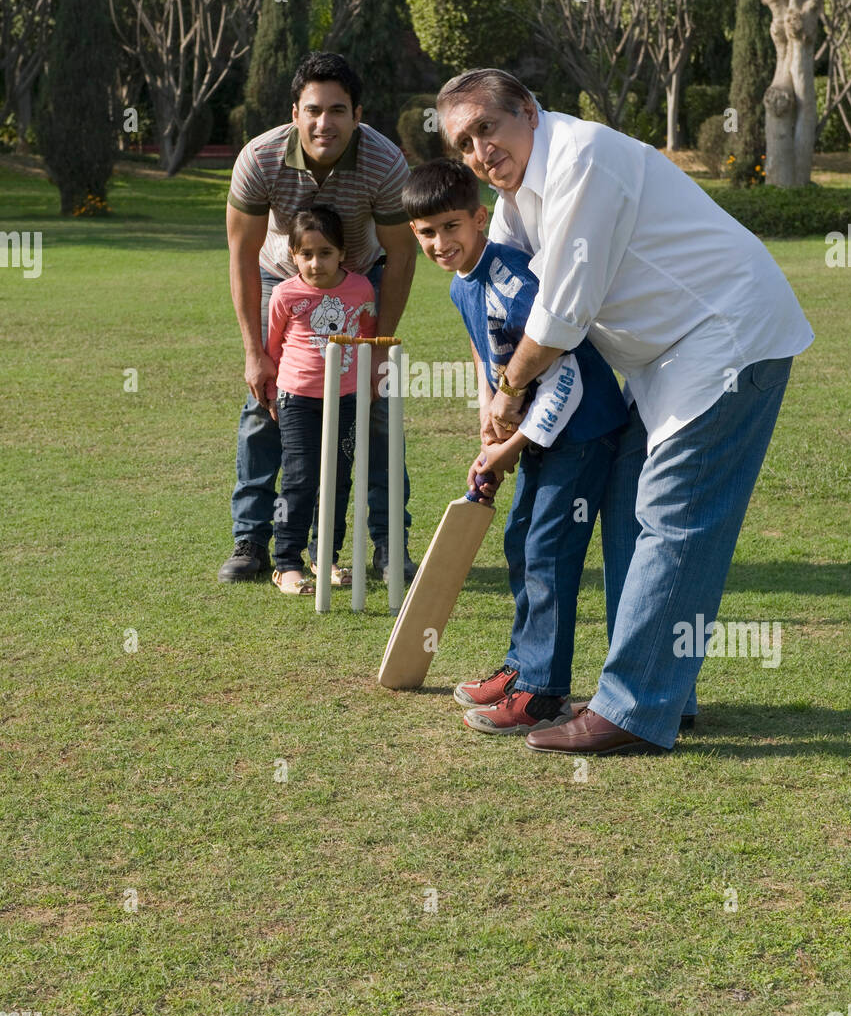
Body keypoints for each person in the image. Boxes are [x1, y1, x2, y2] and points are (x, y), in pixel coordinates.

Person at [436, 67, 814, 756]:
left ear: (527, 109)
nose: (478, 152)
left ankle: (634, 708)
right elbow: (505, 305)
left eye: (486, 128)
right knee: (623, 501)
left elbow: (556, 319)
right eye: (463, 144)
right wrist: (493, 411)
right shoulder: (516, 192)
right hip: (660, 360)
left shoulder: (583, 159)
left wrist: (513, 394)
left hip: (726, 338)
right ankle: (662, 690)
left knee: (674, 518)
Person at [403, 157, 628, 735]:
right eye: (426, 232)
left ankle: (544, 694)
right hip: (537, 436)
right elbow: (490, 360)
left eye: (451, 226)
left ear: (481, 219)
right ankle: (523, 667)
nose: (439, 242)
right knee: (521, 543)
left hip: (582, 434)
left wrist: (512, 445)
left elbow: (567, 373)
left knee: (548, 553)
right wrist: (490, 428)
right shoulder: (462, 286)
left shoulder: (515, 279)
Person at [220, 51, 417, 584]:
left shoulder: (383, 162)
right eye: (312, 110)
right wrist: (253, 352)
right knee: (264, 401)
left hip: (363, 277)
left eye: (336, 110)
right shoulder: (259, 158)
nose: (323, 122)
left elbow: (401, 255)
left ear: (357, 114)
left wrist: (380, 347)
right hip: (282, 280)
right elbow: (241, 254)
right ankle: (252, 541)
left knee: (375, 404)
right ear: (295, 111)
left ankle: (387, 542)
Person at [265, 207, 376, 596]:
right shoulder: (285, 294)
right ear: (293, 254)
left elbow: (366, 333)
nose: (316, 263)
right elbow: (273, 345)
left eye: (325, 252)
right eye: (306, 254)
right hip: (296, 399)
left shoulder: (361, 289)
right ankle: (287, 563)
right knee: (299, 478)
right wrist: (271, 392)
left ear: (342, 252)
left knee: (337, 480)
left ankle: (324, 557)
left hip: (345, 399)